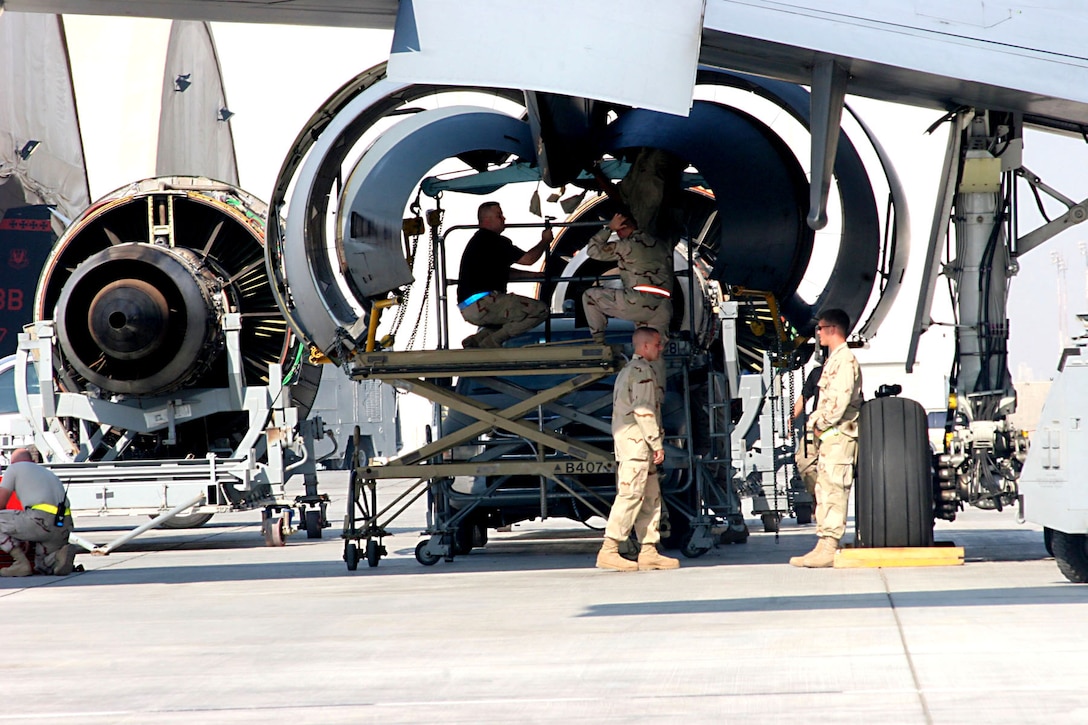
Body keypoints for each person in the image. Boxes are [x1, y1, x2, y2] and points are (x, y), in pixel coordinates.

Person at [596, 327, 679, 572]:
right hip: (637, 445)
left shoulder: (629, 371)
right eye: (656, 344)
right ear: (644, 346)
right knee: (630, 495)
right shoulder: (641, 371)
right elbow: (643, 410)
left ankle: (649, 550)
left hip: (637, 445)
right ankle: (609, 549)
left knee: (650, 498)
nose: (660, 348)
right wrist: (656, 443)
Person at [789, 309, 863, 568]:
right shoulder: (834, 361)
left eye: (820, 328)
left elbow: (839, 401)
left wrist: (818, 424)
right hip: (830, 438)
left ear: (832, 329)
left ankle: (829, 545)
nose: (817, 333)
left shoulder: (844, 361)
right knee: (824, 489)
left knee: (833, 490)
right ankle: (824, 543)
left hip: (838, 436)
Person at [457, 201, 551, 348]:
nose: (504, 219)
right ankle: (493, 340)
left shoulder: (478, 242)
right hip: (485, 301)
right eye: (499, 215)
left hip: (469, 307)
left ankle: (477, 340)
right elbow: (529, 259)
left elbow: (502, 273)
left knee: (507, 315)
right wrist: (545, 241)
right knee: (540, 310)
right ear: (487, 220)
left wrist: (533, 276)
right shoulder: (494, 241)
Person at [581, 213, 673, 346]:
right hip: (663, 306)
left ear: (621, 228)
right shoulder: (661, 244)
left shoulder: (628, 245)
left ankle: (599, 344)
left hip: (639, 301)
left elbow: (593, 250)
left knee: (589, 296)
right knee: (654, 352)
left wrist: (608, 228)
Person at [0, 448, 77, 577]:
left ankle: (20, 563)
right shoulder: (48, 473)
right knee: (41, 566)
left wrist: (16, 536)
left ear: (13, 462)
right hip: (64, 525)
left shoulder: (14, 468)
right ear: (32, 460)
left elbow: (1, 503)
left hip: (41, 521)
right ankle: (57, 556)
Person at [790, 359, 824, 501]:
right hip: (816, 426)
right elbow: (804, 398)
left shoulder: (845, 372)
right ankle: (816, 496)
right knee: (804, 462)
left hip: (837, 428)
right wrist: (791, 420)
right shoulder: (817, 373)